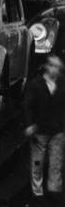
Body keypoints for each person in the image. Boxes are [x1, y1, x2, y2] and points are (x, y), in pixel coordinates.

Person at [24, 54, 65, 199]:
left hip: (57, 129)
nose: (56, 70)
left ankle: (54, 188)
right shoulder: (36, 84)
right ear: (47, 67)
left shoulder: (62, 84)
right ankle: (37, 189)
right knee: (37, 161)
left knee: (56, 161)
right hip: (40, 129)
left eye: (58, 68)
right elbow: (28, 106)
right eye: (53, 66)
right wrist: (29, 124)